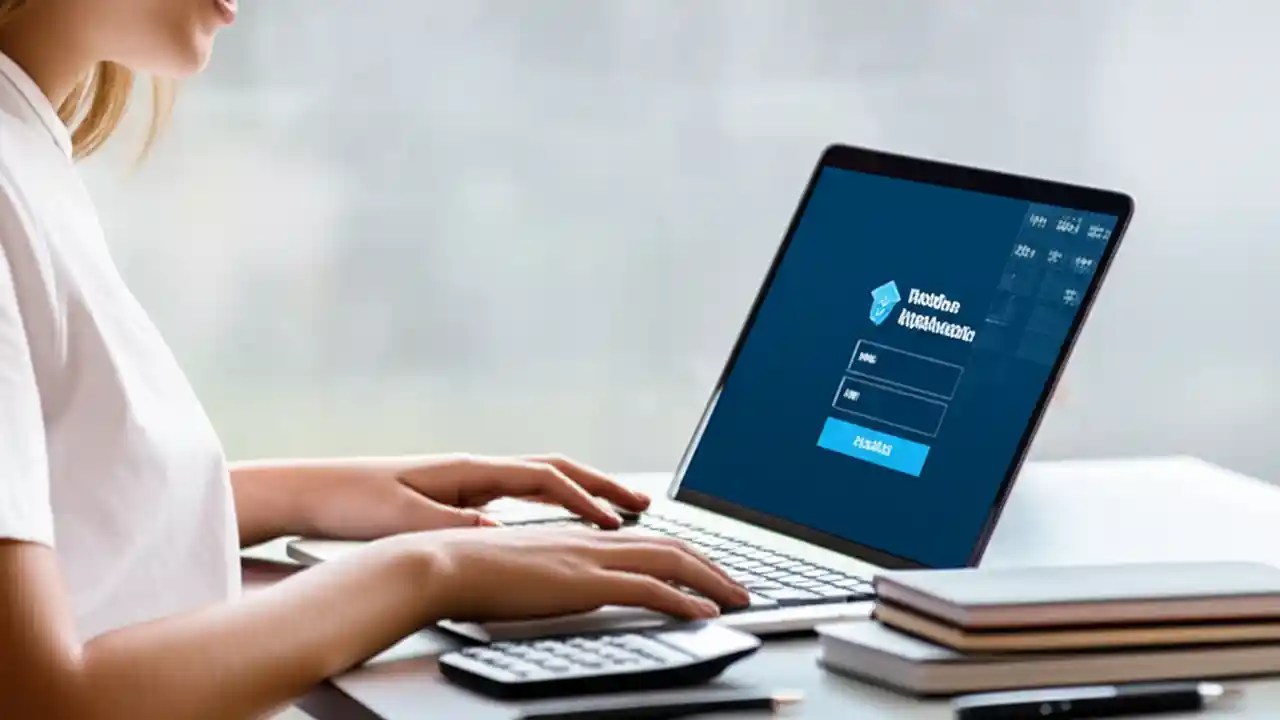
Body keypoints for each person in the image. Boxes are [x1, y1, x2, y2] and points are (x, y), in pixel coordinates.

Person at [0, 1, 749, 717]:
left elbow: (66, 498)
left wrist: (313, 495)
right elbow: (43, 701)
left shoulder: (25, 146)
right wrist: (432, 571)